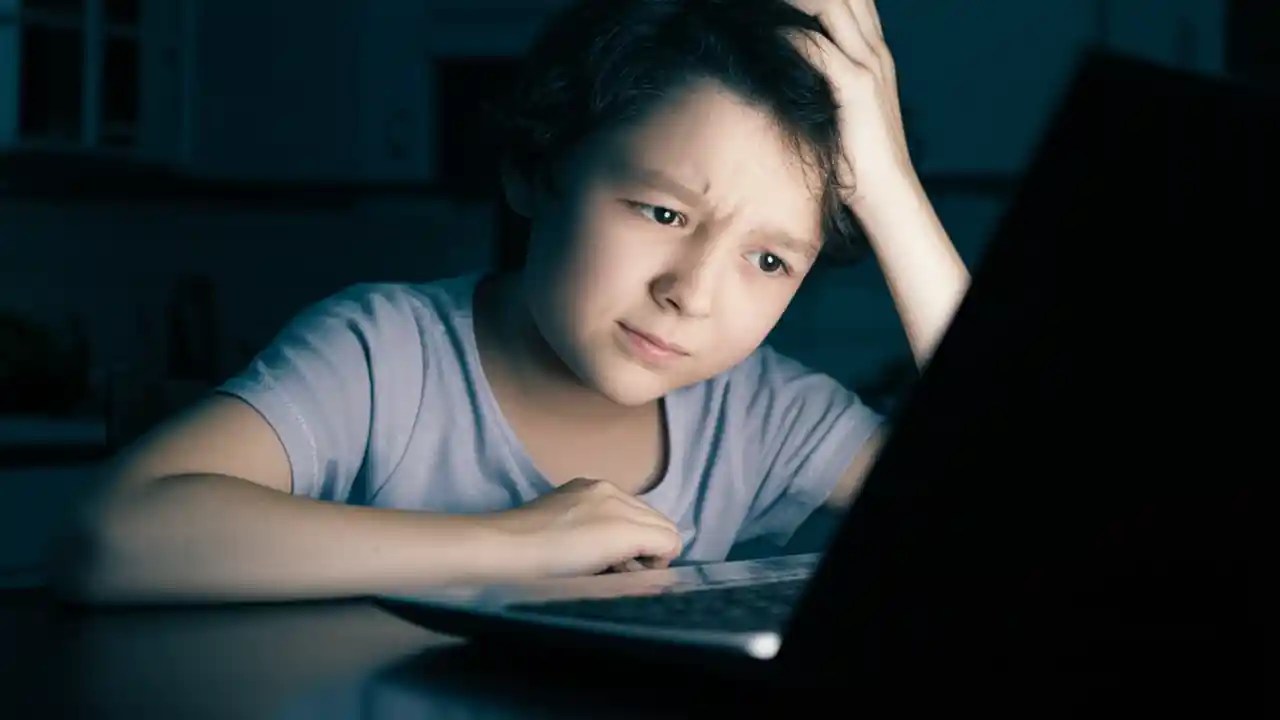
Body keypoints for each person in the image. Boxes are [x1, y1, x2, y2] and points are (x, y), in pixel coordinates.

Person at [52, 0, 969, 604]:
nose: (689, 293)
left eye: (769, 259)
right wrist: (514, 543)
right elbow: (111, 539)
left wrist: (888, 190)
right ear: (535, 174)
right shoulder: (386, 354)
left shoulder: (769, 417)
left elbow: (1048, 513)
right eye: (661, 211)